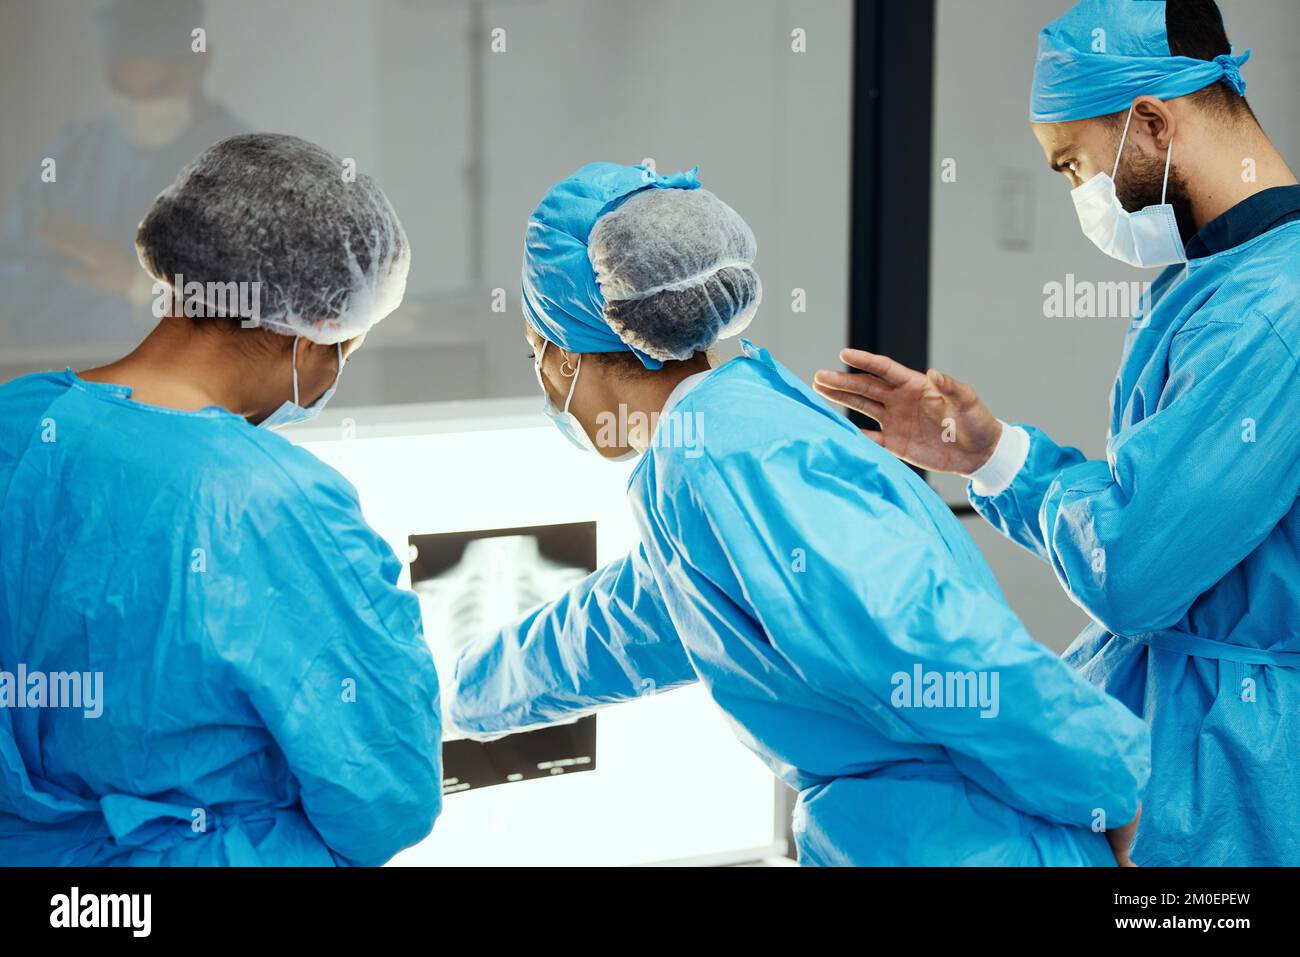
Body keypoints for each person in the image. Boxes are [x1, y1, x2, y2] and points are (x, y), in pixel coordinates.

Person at [449, 161, 1149, 866]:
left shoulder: (728, 457)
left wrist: (1116, 783)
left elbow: (929, 639)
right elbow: (630, 623)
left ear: (566, 359)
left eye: (536, 350)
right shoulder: (721, 435)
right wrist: (458, 697)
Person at [814, 0, 1299, 866]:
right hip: (1187, 746)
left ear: (1150, 122)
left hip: (1237, 788)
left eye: (1074, 165)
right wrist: (982, 451)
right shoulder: (1216, 283)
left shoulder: (1273, 315)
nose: (1081, 194)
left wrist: (1008, 463)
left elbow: (1136, 566)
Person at [0, 133, 441, 865]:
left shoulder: (17, 422)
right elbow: (387, 797)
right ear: (312, 338)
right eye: (349, 345)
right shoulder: (273, 502)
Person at [0, 0, 246, 368]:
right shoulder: (71, 154)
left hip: (187, 394)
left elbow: (251, 310)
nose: (140, 104)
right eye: (122, 85)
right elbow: (15, 285)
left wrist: (137, 284)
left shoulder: (244, 165)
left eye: (159, 85)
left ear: (200, 61)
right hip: (63, 381)